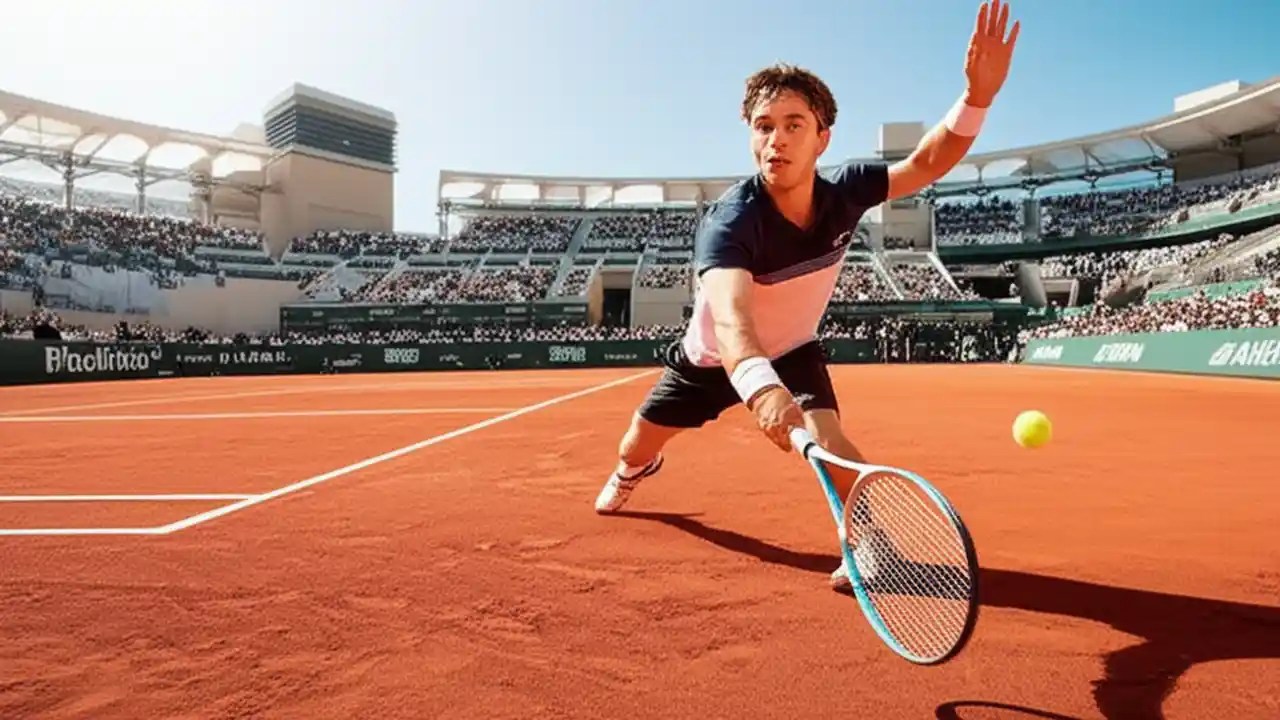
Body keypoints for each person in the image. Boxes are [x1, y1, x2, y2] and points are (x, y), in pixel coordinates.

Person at [594, 0, 1021, 591]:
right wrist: (762, 390)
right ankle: (634, 470)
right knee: (634, 445)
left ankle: (872, 542)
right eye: (763, 126)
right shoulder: (730, 222)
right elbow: (734, 324)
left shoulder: (847, 191)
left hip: (793, 349)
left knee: (830, 441)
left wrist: (977, 97)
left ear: (823, 138)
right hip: (712, 362)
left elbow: (927, 161)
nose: (776, 140)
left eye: (794, 124)